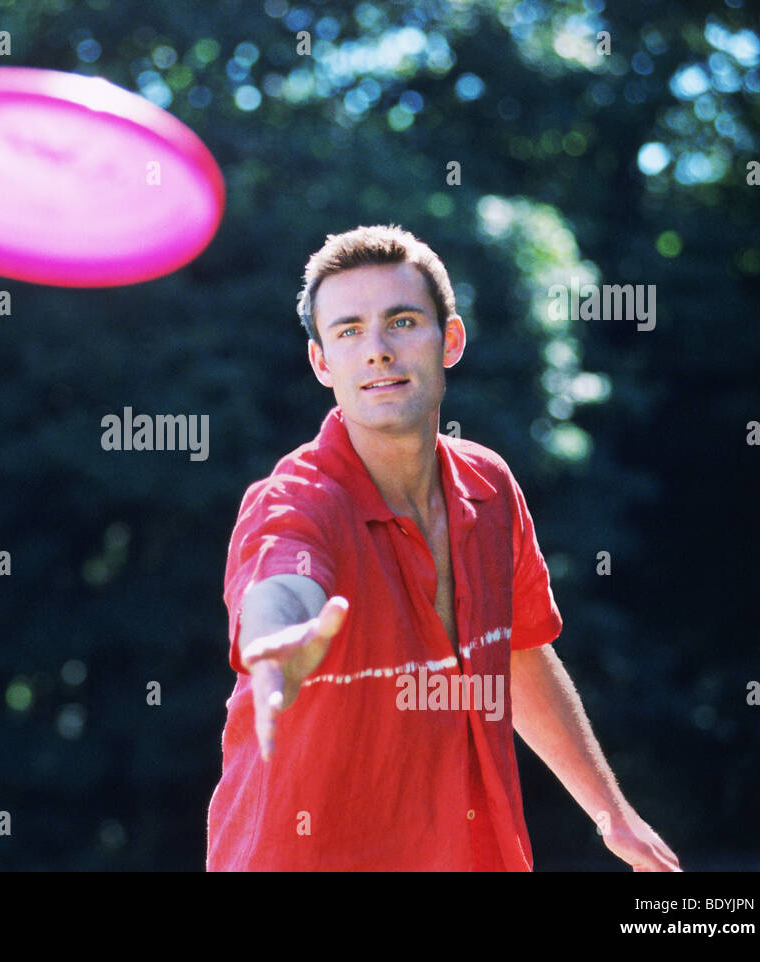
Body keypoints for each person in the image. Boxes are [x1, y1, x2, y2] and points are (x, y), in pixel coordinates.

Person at [206, 225, 681, 872]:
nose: (376, 350)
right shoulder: (296, 499)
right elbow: (282, 579)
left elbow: (516, 652)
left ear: (449, 339)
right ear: (322, 363)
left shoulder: (490, 488)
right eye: (347, 331)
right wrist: (281, 643)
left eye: (401, 322)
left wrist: (611, 812)